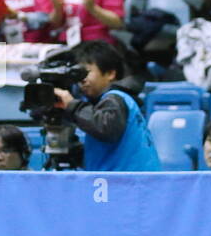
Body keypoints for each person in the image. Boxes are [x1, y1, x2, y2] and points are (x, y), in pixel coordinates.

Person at [52, 40, 161, 172]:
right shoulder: (108, 102)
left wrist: (72, 106)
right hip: (124, 183)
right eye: (77, 74)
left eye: (85, 72)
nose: (82, 79)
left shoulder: (115, 99)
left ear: (110, 73)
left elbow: (105, 129)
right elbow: (99, 156)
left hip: (132, 186)